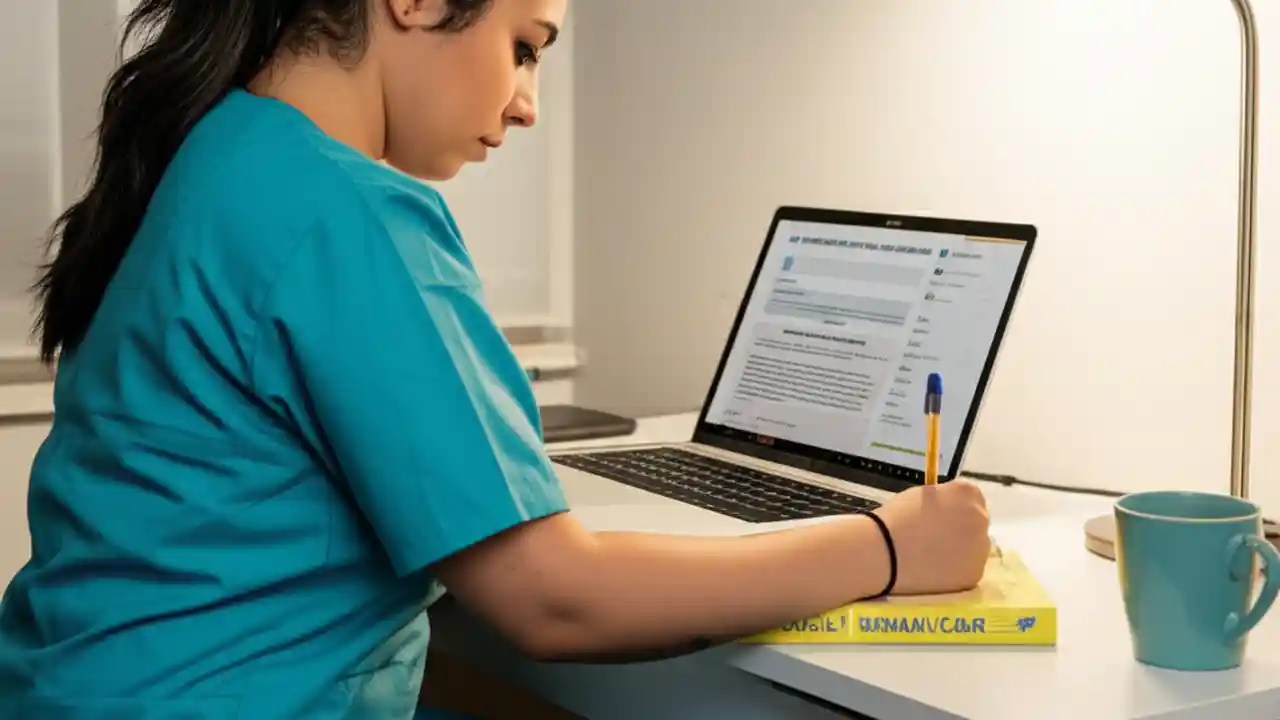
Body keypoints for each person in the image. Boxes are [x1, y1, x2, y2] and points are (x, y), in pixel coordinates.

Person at [0, 0, 992, 718]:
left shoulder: (219, 152)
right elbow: (554, 599)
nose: (526, 104)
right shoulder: (344, 210)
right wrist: (891, 545)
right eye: (524, 47)